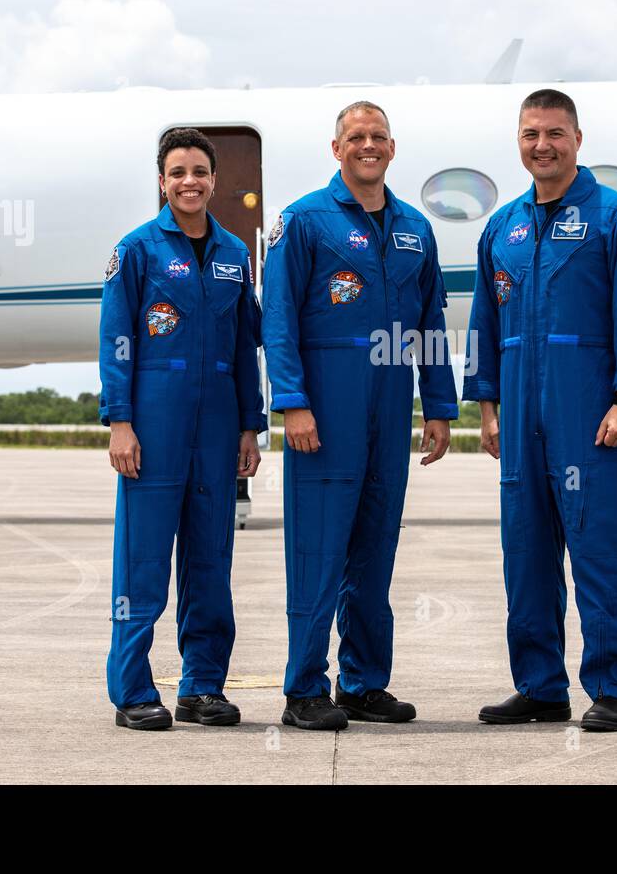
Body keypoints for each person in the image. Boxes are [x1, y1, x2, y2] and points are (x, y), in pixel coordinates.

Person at [464, 89, 617, 732]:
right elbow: (485, 322)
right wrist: (487, 403)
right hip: (521, 416)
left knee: (600, 547)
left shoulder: (615, 217)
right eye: (530, 135)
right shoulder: (504, 226)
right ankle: (541, 686)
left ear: (578, 138)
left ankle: (610, 687)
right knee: (524, 552)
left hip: (590, 414)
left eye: (554, 133)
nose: (542, 145)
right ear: (518, 142)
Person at [262, 101, 457, 731]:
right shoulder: (303, 221)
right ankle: (303, 689)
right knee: (318, 551)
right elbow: (279, 319)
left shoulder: (414, 229)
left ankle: (364, 682)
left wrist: (439, 406)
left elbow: (431, 322)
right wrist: (291, 402)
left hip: (391, 404)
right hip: (326, 405)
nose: (367, 146)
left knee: (375, 549)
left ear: (392, 149)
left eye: (377, 137)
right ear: (336, 147)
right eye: (355, 137)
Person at [98, 128, 265, 730]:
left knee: (210, 562)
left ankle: (202, 687)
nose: (190, 182)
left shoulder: (233, 257)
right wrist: (120, 422)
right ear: (162, 181)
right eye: (178, 172)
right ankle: (134, 691)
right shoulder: (136, 250)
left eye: (200, 171)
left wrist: (251, 425)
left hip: (219, 425)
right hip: (154, 421)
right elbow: (117, 342)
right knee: (142, 563)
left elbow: (246, 349)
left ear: (214, 180)